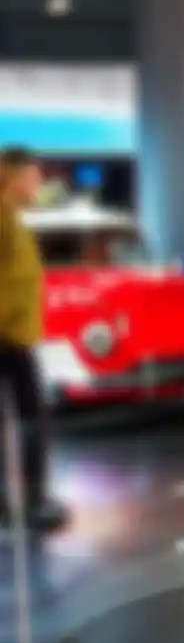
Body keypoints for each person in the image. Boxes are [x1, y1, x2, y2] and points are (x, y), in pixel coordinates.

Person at [0, 146, 67, 532]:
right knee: (32, 419)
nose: (38, 182)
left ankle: (27, 501)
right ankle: (32, 503)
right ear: (13, 176)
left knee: (30, 419)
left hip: (16, 337)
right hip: (7, 339)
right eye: (33, 175)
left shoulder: (15, 220)